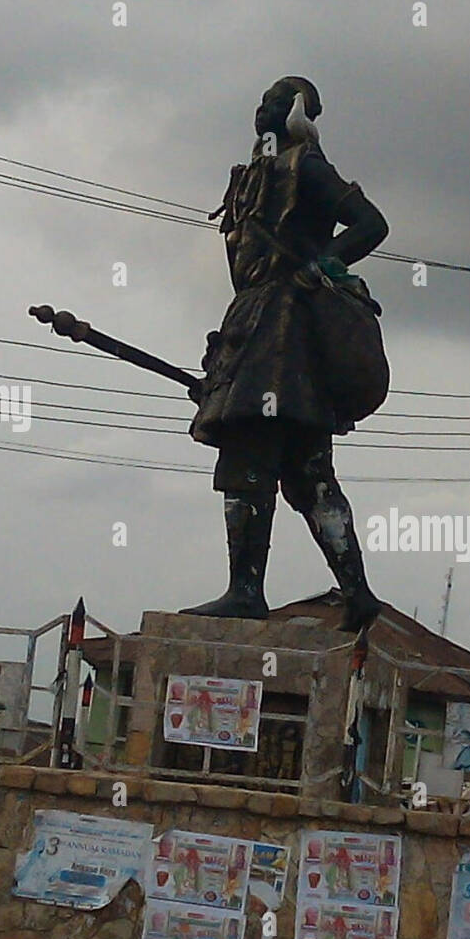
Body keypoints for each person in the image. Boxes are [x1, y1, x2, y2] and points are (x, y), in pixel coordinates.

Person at [183, 76, 390, 631]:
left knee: (251, 457)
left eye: (276, 101)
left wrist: (319, 267)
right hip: (254, 323)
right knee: (307, 471)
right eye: (261, 100)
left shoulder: (307, 169)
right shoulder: (250, 178)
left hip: (286, 327)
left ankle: (246, 590)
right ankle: (358, 594)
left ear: (296, 112)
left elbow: (371, 224)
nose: (262, 109)